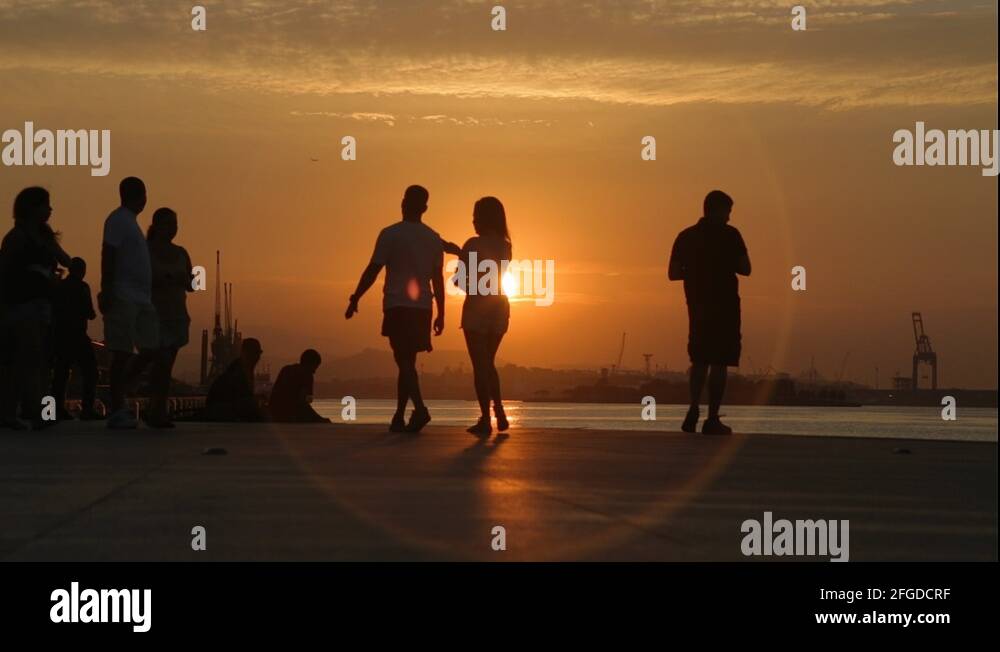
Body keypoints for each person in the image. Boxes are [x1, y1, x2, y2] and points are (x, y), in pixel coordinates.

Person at [345, 185, 445, 433]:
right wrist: (442, 313)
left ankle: (420, 409)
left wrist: (356, 297)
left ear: (403, 203)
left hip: (398, 306)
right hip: (422, 307)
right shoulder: (433, 238)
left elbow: (373, 269)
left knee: (403, 360)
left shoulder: (390, 234)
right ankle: (399, 416)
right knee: (407, 362)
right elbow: (438, 281)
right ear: (425, 208)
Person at [668, 190, 751, 435]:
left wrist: (696, 271)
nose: (729, 218)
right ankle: (712, 417)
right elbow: (746, 269)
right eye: (728, 213)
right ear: (720, 210)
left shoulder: (686, 237)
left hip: (697, 306)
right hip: (725, 306)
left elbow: (673, 273)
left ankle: (693, 408)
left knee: (699, 360)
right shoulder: (731, 235)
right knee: (720, 362)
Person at [0, 186, 71, 430]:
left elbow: (64, 258)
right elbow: (6, 273)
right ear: (32, 208)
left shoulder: (43, 235)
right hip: (21, 305)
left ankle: (17, 412)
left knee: (29, 361)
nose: (50, 209)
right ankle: (36, 413)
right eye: (45, 204)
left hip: (41, 305)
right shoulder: (16, 238)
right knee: (27, 360)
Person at [442, 197, 511, 437]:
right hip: (500, 305)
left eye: (475, 216)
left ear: (483, 218)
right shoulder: (505, 246)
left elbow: (461, 279)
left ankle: (485, 418)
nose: (472, 221)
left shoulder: (472, 244)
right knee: (489, 363)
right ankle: (499, 410)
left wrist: (458, 254)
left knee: (479, 366)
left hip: (477, 306)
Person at [99, 177, 159, 430]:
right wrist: (107, 290)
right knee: (122, 352)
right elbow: (108, 253)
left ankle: (119, 391)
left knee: (152, 347)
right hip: (123, 296)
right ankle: (116, 407)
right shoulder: (118, 220)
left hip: (141, 299)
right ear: (140, 195)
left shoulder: (131, 223)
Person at [146, 208, 194, 428]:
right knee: (160, 364)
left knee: (166, 366)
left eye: (175, 224)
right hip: (154, 315)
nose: (172, 228)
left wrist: (185, 279)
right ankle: (155, 409)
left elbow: (192, 285)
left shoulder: (182, 253)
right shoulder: (146, 251)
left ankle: (157, 409)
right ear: (156, 225)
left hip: (176, 314)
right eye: (168, 224)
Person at [50, 257, 101, 420]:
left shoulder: (60, 286)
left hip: (60, 334)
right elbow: (90, 313)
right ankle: (87, 409)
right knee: (91, 371)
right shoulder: (82, 287)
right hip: (77, 335)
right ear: (83, 271)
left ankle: (55, 410)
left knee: (60, 373)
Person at [204, 338, 264, 422]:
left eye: (257, 354)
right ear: (244, 353)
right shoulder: (236, 375)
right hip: (221, 418)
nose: (256, 358)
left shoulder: (240, 371)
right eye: (253, 354)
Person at [268, 349, 330, 423]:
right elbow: (304, 403)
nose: (314, 372)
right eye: (315, 367)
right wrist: (319, 419)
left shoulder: (285, 370)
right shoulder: (307, 374)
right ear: (310, 364)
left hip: (273, 414)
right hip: (289, 417)